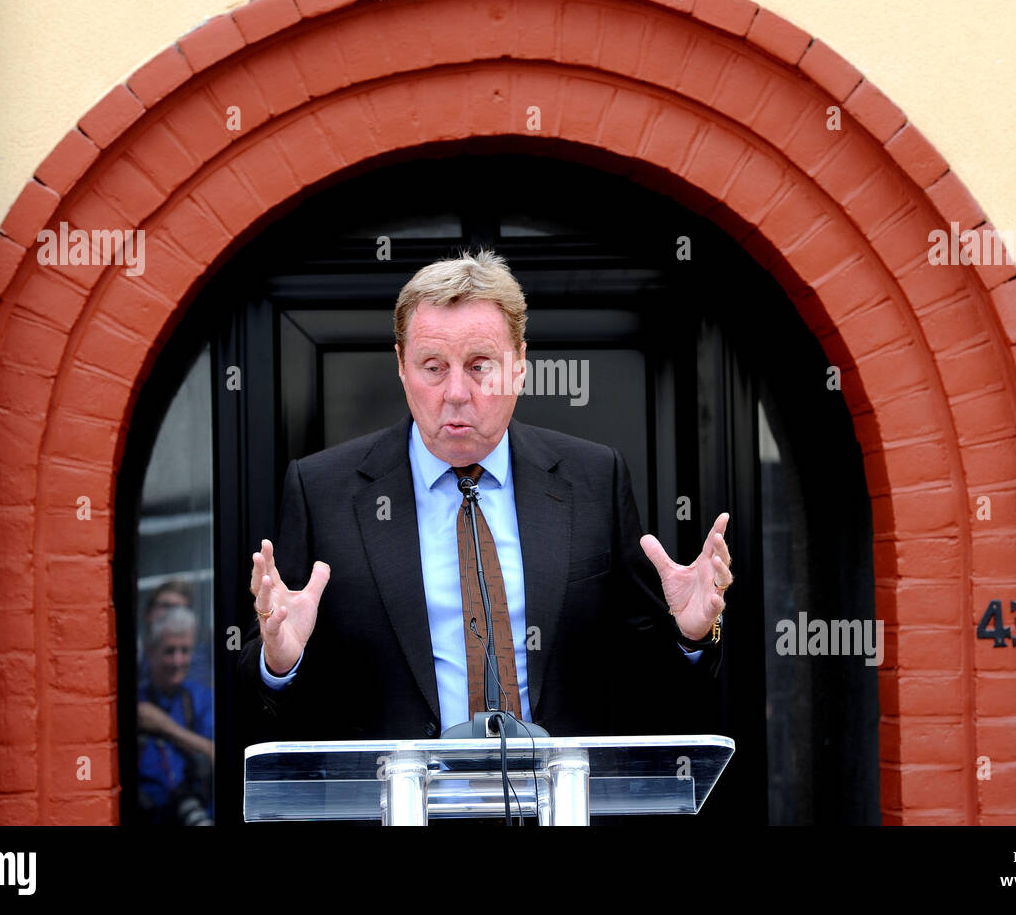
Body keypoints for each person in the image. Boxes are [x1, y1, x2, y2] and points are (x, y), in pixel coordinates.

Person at [237, 250, 732, 743]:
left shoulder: (594, 478)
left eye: (479, 366)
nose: (455, 391)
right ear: (401, 367)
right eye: (433, 366)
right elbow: (266, 711)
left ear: (519, 366)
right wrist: (280, 661)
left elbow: (647, 688)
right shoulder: (322, 490)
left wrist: (689, 635)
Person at [137, 605, 215, 824]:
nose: (178, 661)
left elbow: (218, 754)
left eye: (185, 650)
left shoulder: (202, 699)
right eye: (169, 651)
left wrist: (166, 728)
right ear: (150, 652)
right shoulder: (136, 701)